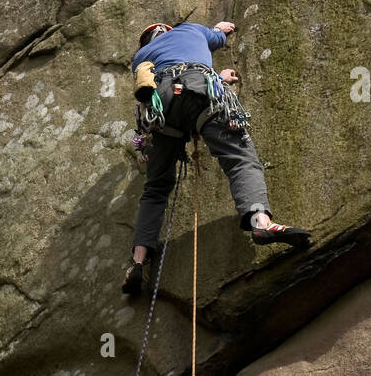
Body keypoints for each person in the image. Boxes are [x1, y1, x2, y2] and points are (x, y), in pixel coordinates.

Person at [123, 20, 311, 295]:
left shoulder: (140, 58)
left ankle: (138, 262)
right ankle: (262, 223)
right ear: (169, 30)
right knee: (240, 159)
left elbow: (158, 87)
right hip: (201, 91)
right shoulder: (189, 29)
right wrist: (220, 29)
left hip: (162, 109)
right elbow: (219, 37)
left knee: (155, 189)